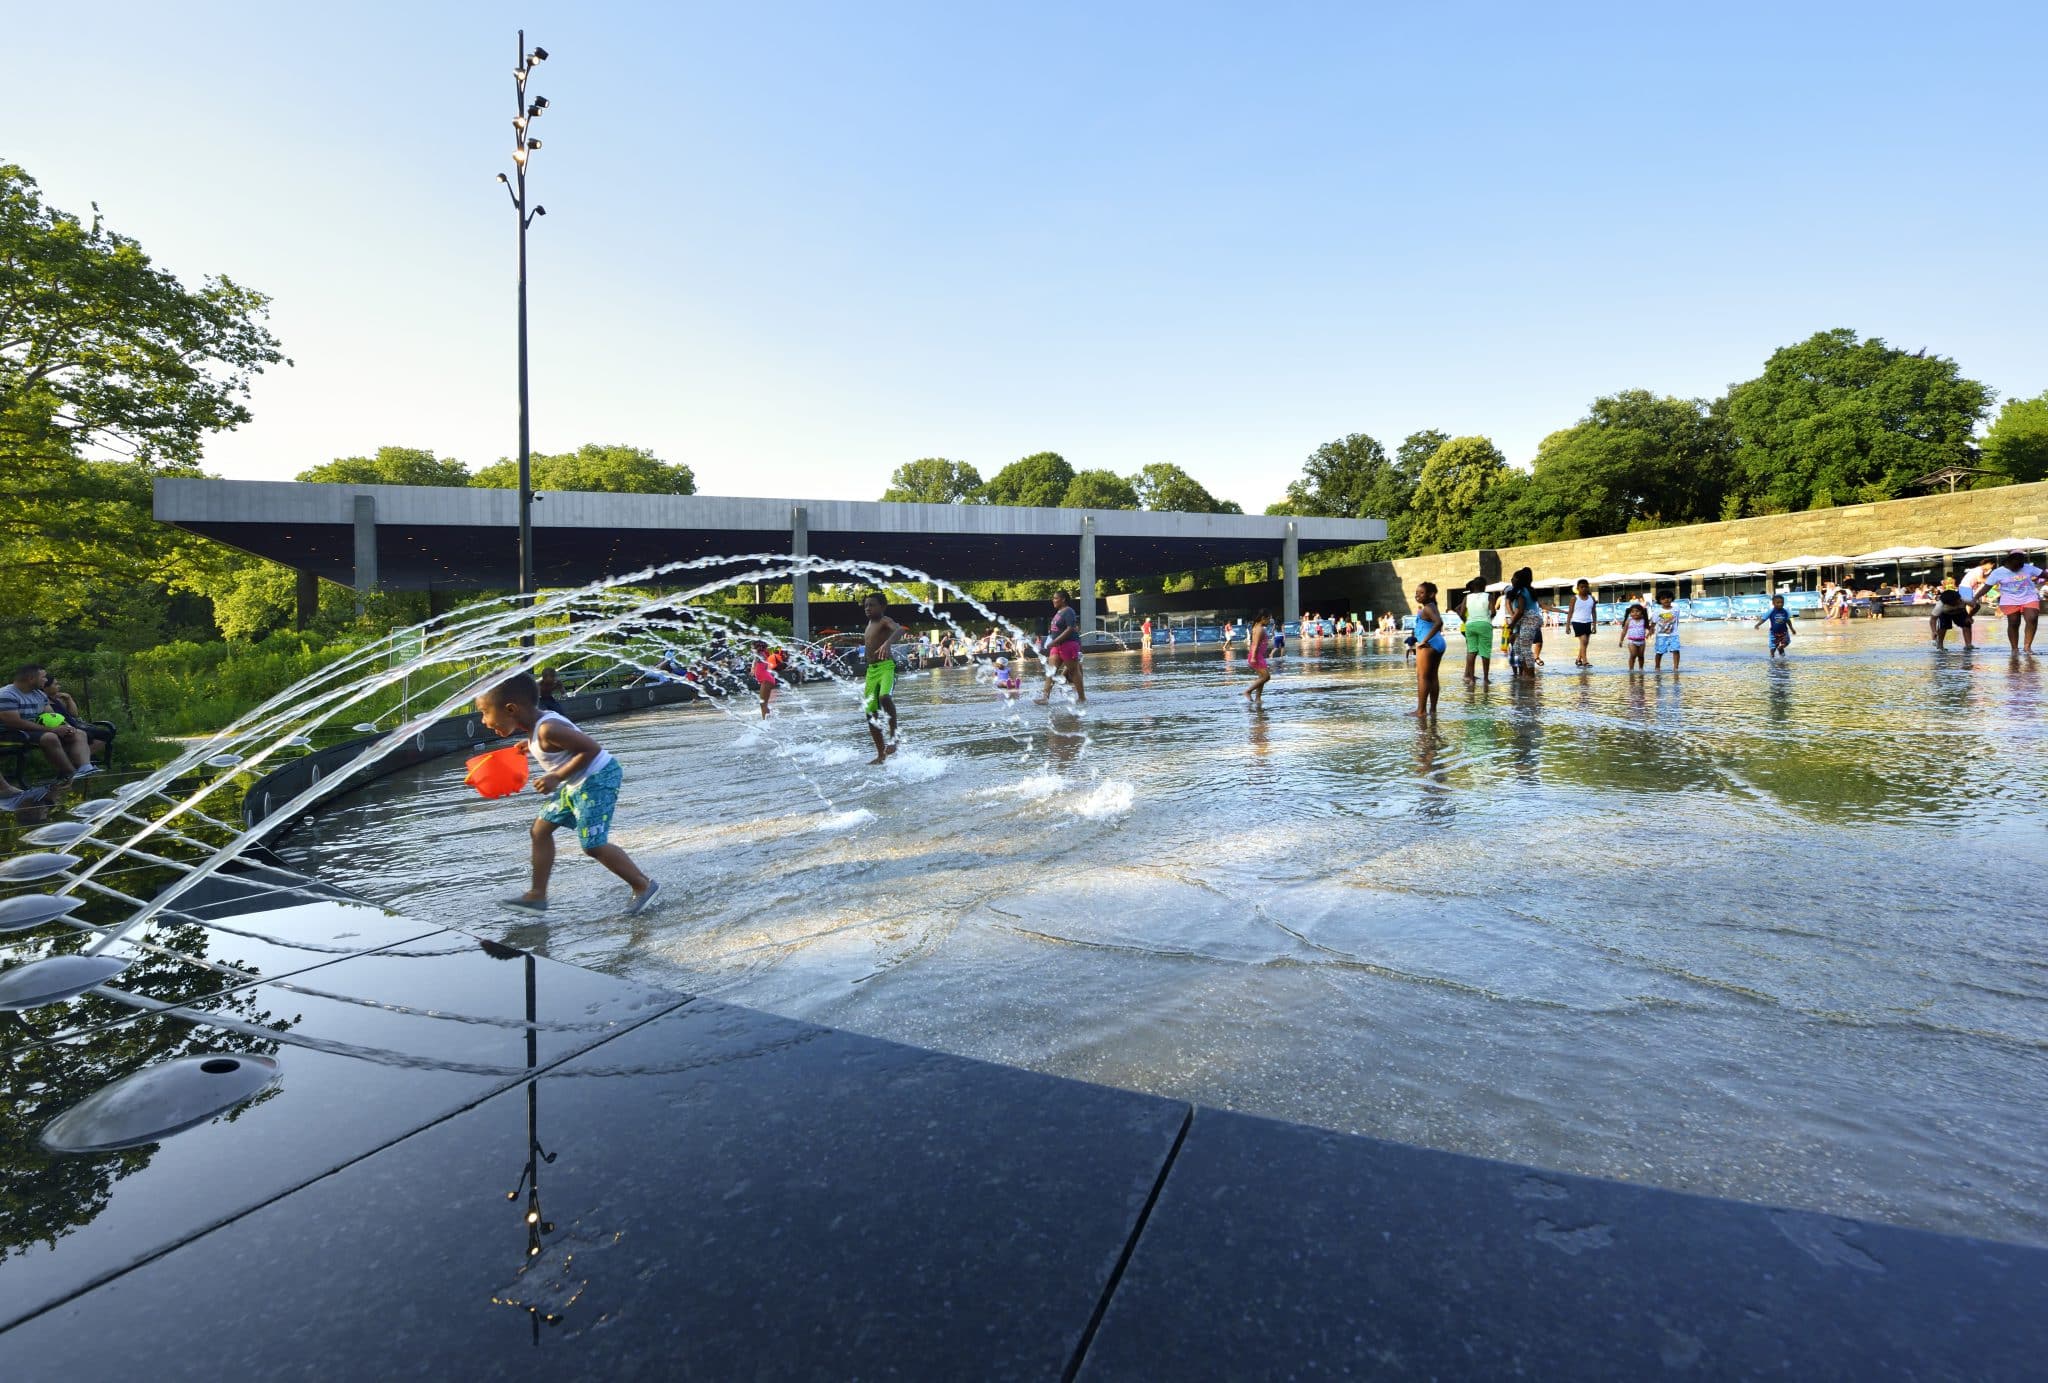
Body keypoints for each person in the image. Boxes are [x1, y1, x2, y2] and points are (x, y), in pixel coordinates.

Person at [475, 671, 658, 918]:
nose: (484, 721)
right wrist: (527, 746)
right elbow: (557, 748)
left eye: (485, 712)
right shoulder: (536, 730)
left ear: (510, 709)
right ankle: (537, 896)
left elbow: (591, 749)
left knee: (593, 845)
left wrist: (555, 776)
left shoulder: (548, 729)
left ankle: (643, 885)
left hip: (597, 778)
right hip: (576, 782)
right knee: (540, 830)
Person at [0, 662, 97, 780]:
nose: (46, 680)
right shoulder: (7, 695)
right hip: (12, 732)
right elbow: (14, 723)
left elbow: (52, 715)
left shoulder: (39, 694)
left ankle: (85, 768)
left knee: (79, 733)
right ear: (31, 678)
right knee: (50, 737)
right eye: (43, 677)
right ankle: (71, 773)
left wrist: (66, 726)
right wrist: (53, 730)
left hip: (35, 730)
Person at [861, 593, 905, 762]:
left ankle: (894, 738)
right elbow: (869, 642)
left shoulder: (885, 621)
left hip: (887, 667)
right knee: (871, 714)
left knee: (885, 697)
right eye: (866, 606)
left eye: (872, 605)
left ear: (883, 607)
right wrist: (849, 639)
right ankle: (880, 754)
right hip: (871, 671)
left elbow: (900, 630)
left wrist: (888, 643)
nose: (868, 608)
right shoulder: (869, 625)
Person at [1978, 551, 2041, 654]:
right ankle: (2014, 649)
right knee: (2014, 623)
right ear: (2009, 562)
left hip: (2029, 597)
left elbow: (2044, 574)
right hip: (2009, 599)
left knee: (2032, 618)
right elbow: (1987, 587)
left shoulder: (2028, 567)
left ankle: (2027, 647)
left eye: (2021, 566)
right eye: (2017, 566)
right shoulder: (1998, 572)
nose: (2019, 568)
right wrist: (1975, 597)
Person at [1035, 589, 1086, 705]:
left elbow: (1070, 628)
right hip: (1057, 647)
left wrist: (1055, 641)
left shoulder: (1069, 611)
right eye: (1053, 598)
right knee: (1050, 671)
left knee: (1073, 671)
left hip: (1068, 645)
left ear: (1063, 599)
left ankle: (1082, 697)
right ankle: (1045, 698)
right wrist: (1054, 642)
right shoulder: (1059, 612)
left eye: (1056, 598)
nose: (1053, 600)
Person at [1409, 582, 1445, 718]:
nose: (1417, 595)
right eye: (1416, 593)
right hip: (1438, 643)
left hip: (1428, 645)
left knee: (1422, 677)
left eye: (1421, 593)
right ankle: (1433, 710)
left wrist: (1424, 641)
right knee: (1433, 676)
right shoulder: (1432, 606)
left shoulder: (1427, 609)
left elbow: (1439, 622)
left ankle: (1421, 711)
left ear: (1431, 594)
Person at [1502, 569, 1543, 678]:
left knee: (1525, 650)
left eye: (1514, 577)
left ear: (1519, 580)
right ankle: (1526, 674)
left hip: (1529, 620)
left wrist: (1512, 624)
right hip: (1529, 620)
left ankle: (1530, 676)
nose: (1512, 579)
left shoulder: (1521, 591)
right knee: (1518, 648)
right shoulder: (1530, 590)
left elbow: (1520, 610)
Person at [1460, 578, 1495, 685]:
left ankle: (1471, 679)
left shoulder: (1467, 597)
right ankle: (1485, 678)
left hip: (1470, 625)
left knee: (1471, 651)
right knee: (1485, 652)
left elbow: (1461, 613)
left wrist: (1467, 621)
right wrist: (1488, 619)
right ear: (1484, 586)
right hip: (1484, 624)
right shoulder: (1488, 596)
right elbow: (1493, 611)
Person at [1566, 580, 1599, 666]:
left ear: (1588, 587)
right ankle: (1585, 661)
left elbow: (1594, 612)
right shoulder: (1574, 598)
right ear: (1578, 588)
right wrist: (1567, 626)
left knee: (1585, 643)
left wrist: (1594, 625)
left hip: (1587, 622)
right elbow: (1570, 612)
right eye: (1582, 587)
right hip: (1577, 622)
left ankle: (1578, 659)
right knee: (1584, 640)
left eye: (1586, 587)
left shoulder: (1592, 598)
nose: (1584, 589)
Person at [1244, 609, 1273, 705]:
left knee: (1262, 677)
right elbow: (1255, 644)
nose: (1269, 621)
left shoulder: (1257, 626)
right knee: (1266, 676)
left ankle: (1258, 699)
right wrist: (1253, 657)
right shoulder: (1259, 629)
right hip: (1256, 656)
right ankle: (1248, 691)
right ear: (1263, 618)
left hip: (1259, 656)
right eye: (1268, 619)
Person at [1652, 593, 1681, 672]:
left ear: (1672, 598)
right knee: (1659, 652)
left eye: (1668, 597)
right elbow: (1653, 623)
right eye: (1663, 598)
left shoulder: (1676, 609)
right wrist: (1650, 631)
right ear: (1659, 601)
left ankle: (1676, 668)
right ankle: (1657, 667)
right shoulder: (1657, 611)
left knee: (1676, 650)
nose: (1666, 600)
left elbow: (1677, 621)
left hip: (1674, 634)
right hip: (1661, 635)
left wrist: (1674, 630)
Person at [1619, 599, 1650, 671]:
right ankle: (1631, 669)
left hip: (1642, 642)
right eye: (1632, 612)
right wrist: (1621, 640)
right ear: (1630, 613)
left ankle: (1641, 669)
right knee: (1633, 655)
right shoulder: (1629, 621)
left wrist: (1649, 633)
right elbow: (1624, 631)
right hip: (1632, 641)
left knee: (1641, 656)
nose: (1635, 613)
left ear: (1641, 612)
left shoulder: (1644, 620)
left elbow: (1649, 629)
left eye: (1637, 611)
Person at [751, 642, 778, 718]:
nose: (751, 649)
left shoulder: (761, 654)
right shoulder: (761, 655)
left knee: (763, 703)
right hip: (766, 680)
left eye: (752, 647)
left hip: (766, 680)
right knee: (763, 703)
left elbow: (757, 659)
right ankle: (768, 720)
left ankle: (765, 722)